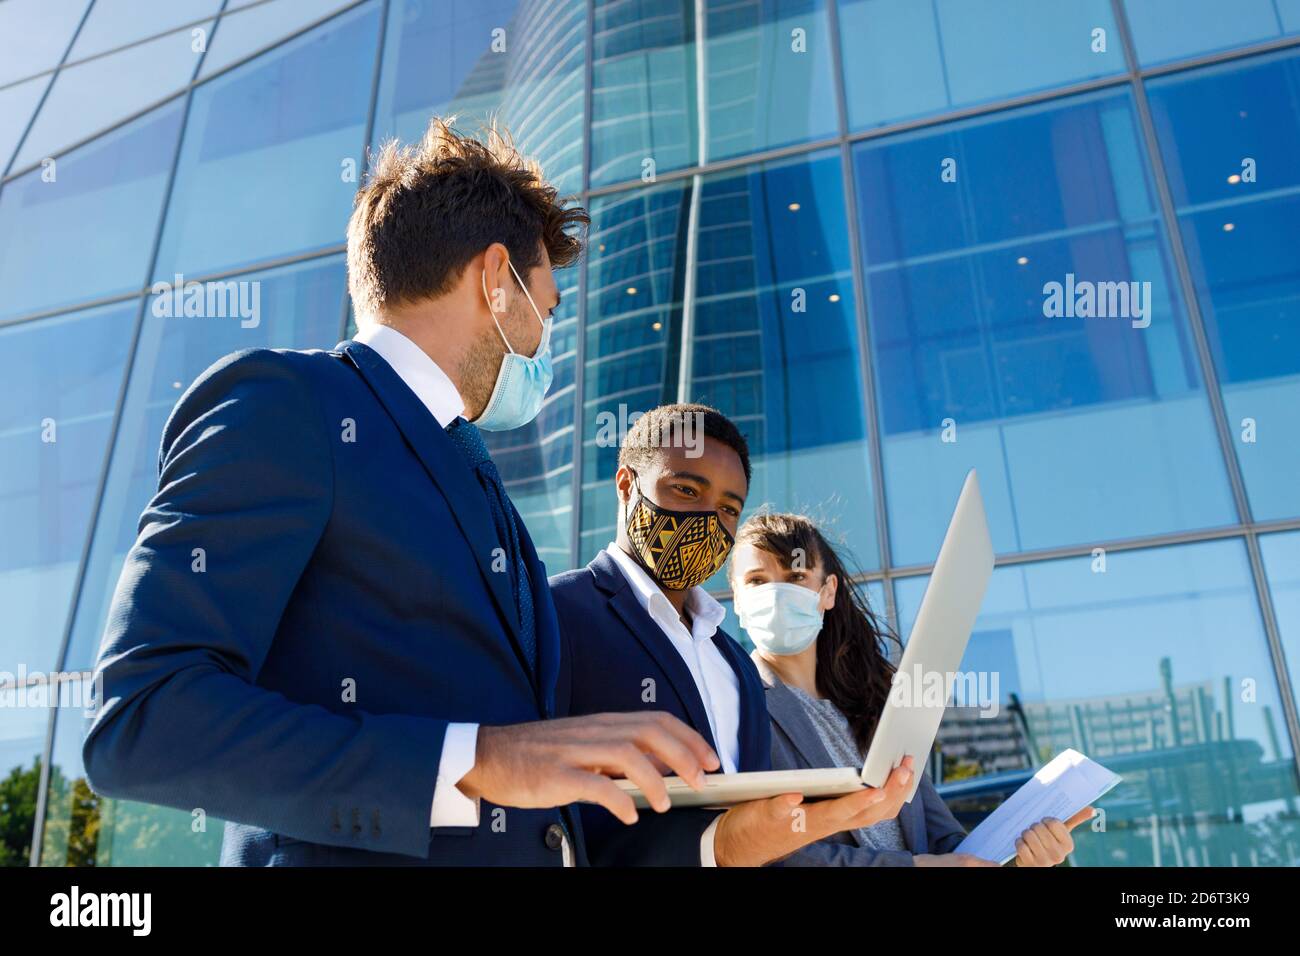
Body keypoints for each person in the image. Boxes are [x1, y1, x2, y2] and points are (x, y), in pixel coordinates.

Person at [80, 118, 723, 866]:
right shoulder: (287, 403)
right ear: (494, 280)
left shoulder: (486, 491)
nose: (548, 343)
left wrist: (729, 840)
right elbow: (141, 720)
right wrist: (476, 761)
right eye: (546, 310)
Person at [551, 405, 914, 866]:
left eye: (727, 508)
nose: (709, 519)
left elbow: (755, 831)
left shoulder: (736, 665)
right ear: (627, 486)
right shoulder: (556, 611)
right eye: (686, 489)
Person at [728, 511, 1094, 867]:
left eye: (795, 577)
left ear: (828, 592)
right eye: (758, 581)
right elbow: (767, 851)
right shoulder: (735, 704)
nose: (776, 595)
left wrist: (1019, 856)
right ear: (737, 598)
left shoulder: (876, 704)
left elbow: (945, 841)